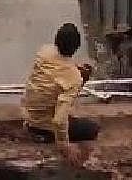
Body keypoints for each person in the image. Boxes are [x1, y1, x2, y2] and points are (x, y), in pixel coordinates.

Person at [22, 23, 99, 165]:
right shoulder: (74, 77)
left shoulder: (43, 52)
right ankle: (46, 137)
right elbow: (59, 120)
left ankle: (37, 131)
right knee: (93, 128)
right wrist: (64, 146)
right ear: (76, 47)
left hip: (30, 118)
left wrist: (76, 69)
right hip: (45, 127)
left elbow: (56, 71)